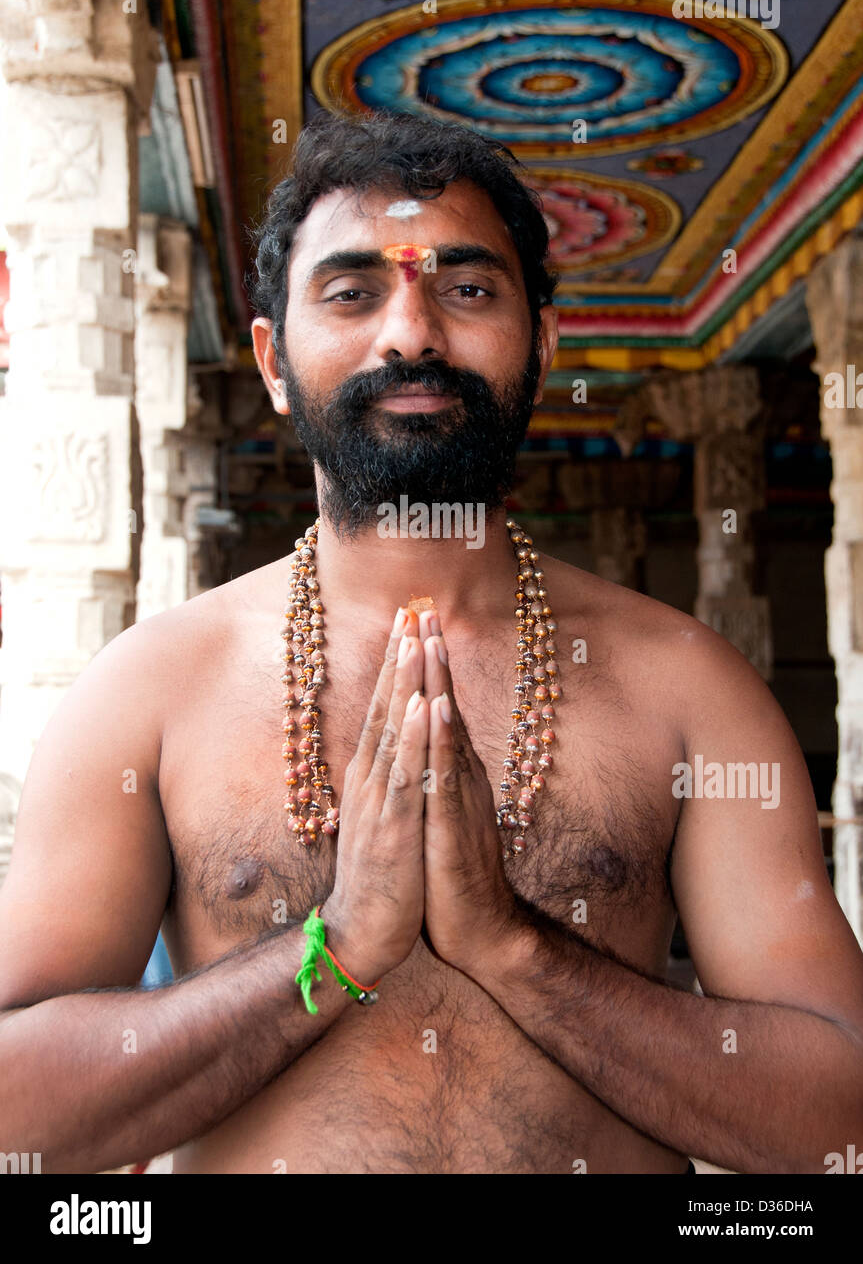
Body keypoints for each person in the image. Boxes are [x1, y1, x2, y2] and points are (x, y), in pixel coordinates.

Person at [1, 111, 861, 1175]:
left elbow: (839, 1122)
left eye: (464, 288)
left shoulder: (686, 685)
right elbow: (17, 1119)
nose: (408, 334)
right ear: (272, 358)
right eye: (352, 291)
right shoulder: (147, 690)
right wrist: (338, 946)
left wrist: (515, 949)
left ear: (541, 346)